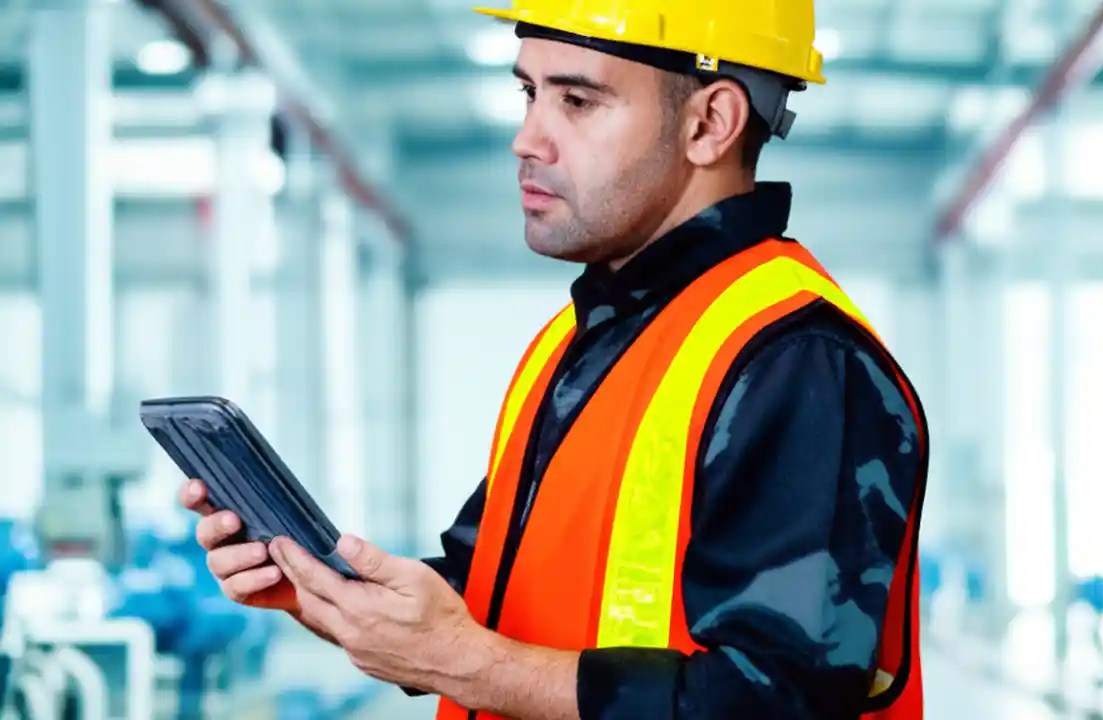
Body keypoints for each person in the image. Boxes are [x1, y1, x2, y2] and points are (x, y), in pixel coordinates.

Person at [179, 1, 930, 718]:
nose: (528, 139)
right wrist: (324, 591)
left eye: (577, 102)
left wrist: (462, 661)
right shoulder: (578, 342)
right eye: (528, 93)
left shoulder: (796, 360)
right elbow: (491, 598)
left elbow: (773, 701)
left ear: (711, 123)